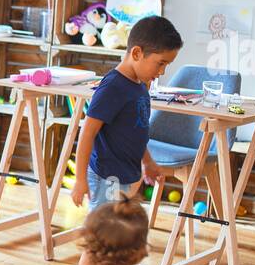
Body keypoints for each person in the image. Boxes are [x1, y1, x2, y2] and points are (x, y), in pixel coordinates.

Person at [68, 16, 183, 211]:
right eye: (160, 63)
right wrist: (80, 180)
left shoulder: (140, 86)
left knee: (117, 231)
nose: (162, 71)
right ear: (137, 53)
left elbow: (135, 133)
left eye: (167, 65)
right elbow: (87, 133)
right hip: (107, 177)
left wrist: (148, 162)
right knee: (103, 231)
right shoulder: (113, 87)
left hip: (127, 175)